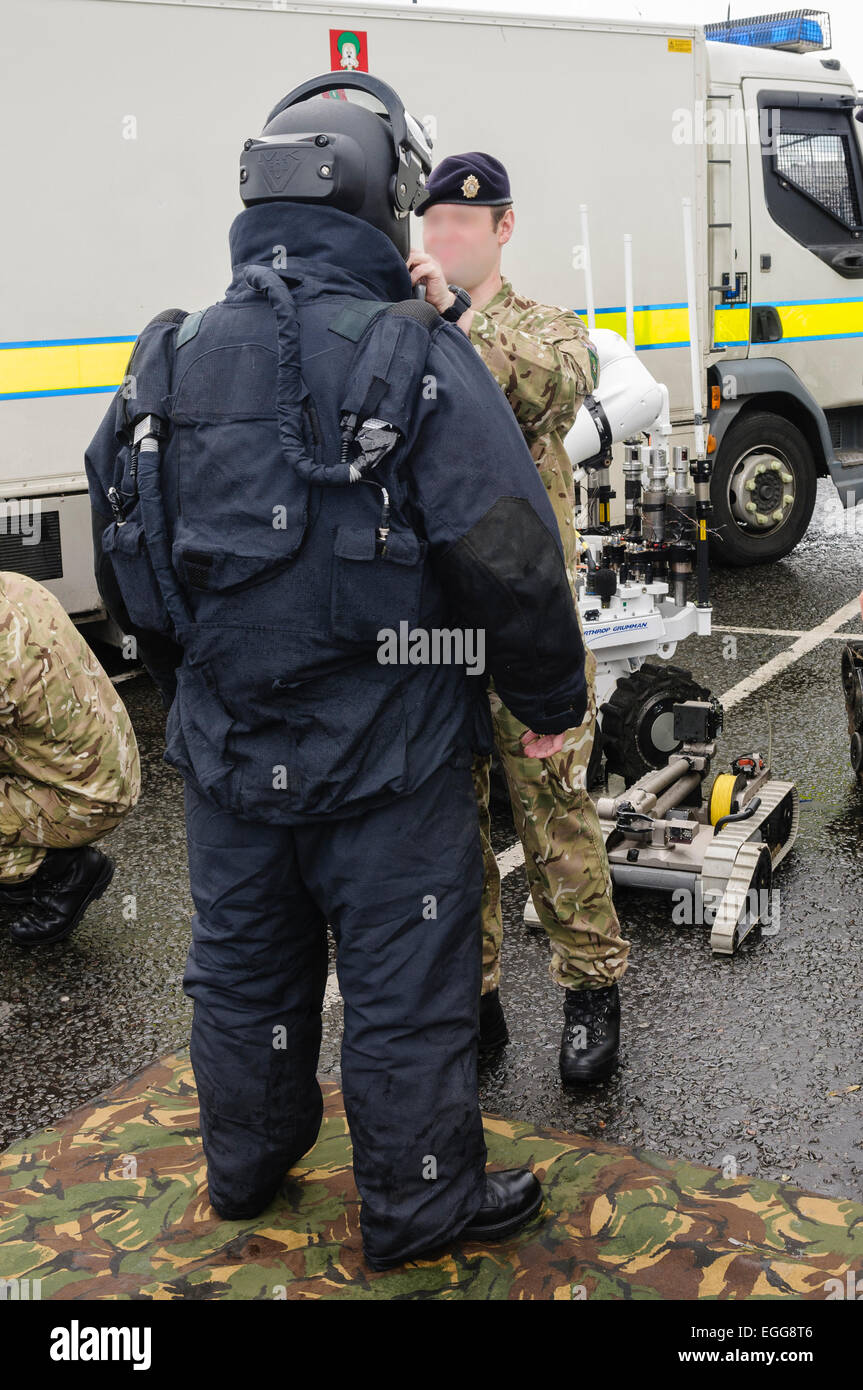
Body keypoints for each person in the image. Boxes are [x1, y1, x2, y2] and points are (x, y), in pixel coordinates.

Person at [84, 75, 589, 1272]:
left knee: (244, 975)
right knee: (402, 992)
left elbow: (129, 568)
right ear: (382, 195)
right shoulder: (417, 355)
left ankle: (245, 1169)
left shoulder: (170, 353)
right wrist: (551, 704)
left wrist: (203, 681)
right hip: (390, 765)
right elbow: (508, 557)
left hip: (226, 760)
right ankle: (417, 1210)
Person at [410, 152, 631, 1084]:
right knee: (448, 825)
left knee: (550, 809)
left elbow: (553, 390)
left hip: (521, 619)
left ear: (502, 229)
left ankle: (590, 990)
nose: (446, 237)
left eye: (465, 224)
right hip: (429, 621)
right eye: (434, 224)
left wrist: (456, 319)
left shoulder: (544, 327)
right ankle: (480, 997)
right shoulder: (402, 329)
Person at [0, 570, 140, 945]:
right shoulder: (14, 584)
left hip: (84, 799)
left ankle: (64, 872)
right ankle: (19, 877)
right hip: (112, 762)